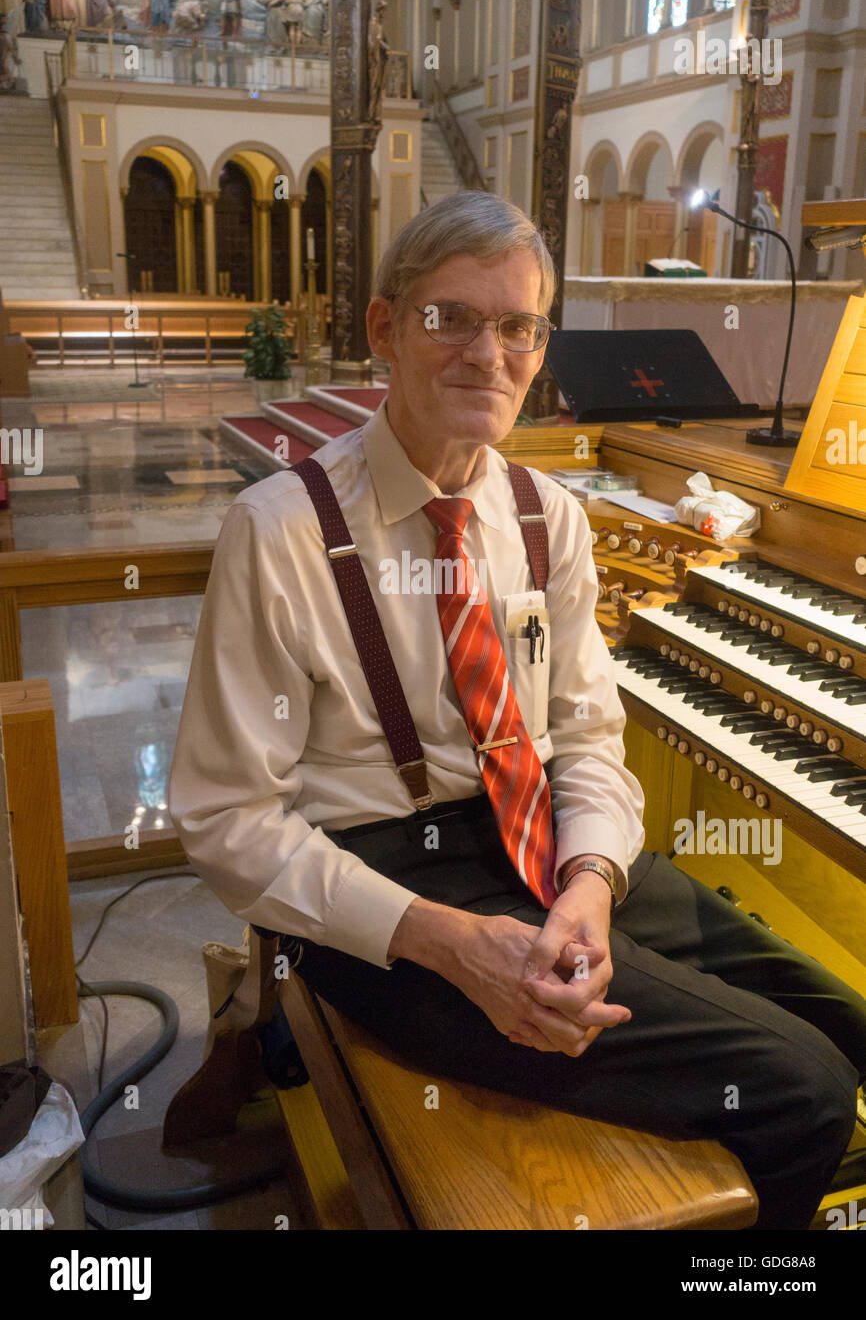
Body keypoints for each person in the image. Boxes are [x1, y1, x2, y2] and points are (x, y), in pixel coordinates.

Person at [168, 191, 866, 1231]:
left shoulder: (548, 518)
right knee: (802, 1086)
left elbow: (584, 736)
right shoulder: (278, 530)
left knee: (844, 1020)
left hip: (541, 841)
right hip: (385, 888)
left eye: (516, 327)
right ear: (384, 330)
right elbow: (227, 821)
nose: (485, 354)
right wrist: (453, 942)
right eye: (451, 317)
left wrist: (588, 883)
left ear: (540, 344)